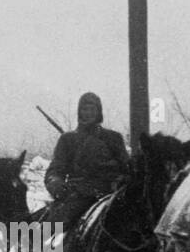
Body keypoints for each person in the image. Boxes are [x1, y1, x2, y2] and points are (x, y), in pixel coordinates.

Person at [44, 92, 130, 230]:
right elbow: (55, 170)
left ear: (99, 112)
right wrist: (56, 183)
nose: (88, 113)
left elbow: (127, 168)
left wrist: (120, 181)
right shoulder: (68, 140)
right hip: (78, 194)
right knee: (49, 230)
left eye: (92, 109)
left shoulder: (113, 138)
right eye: (84, 109)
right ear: (79, 112)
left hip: (112, 193)